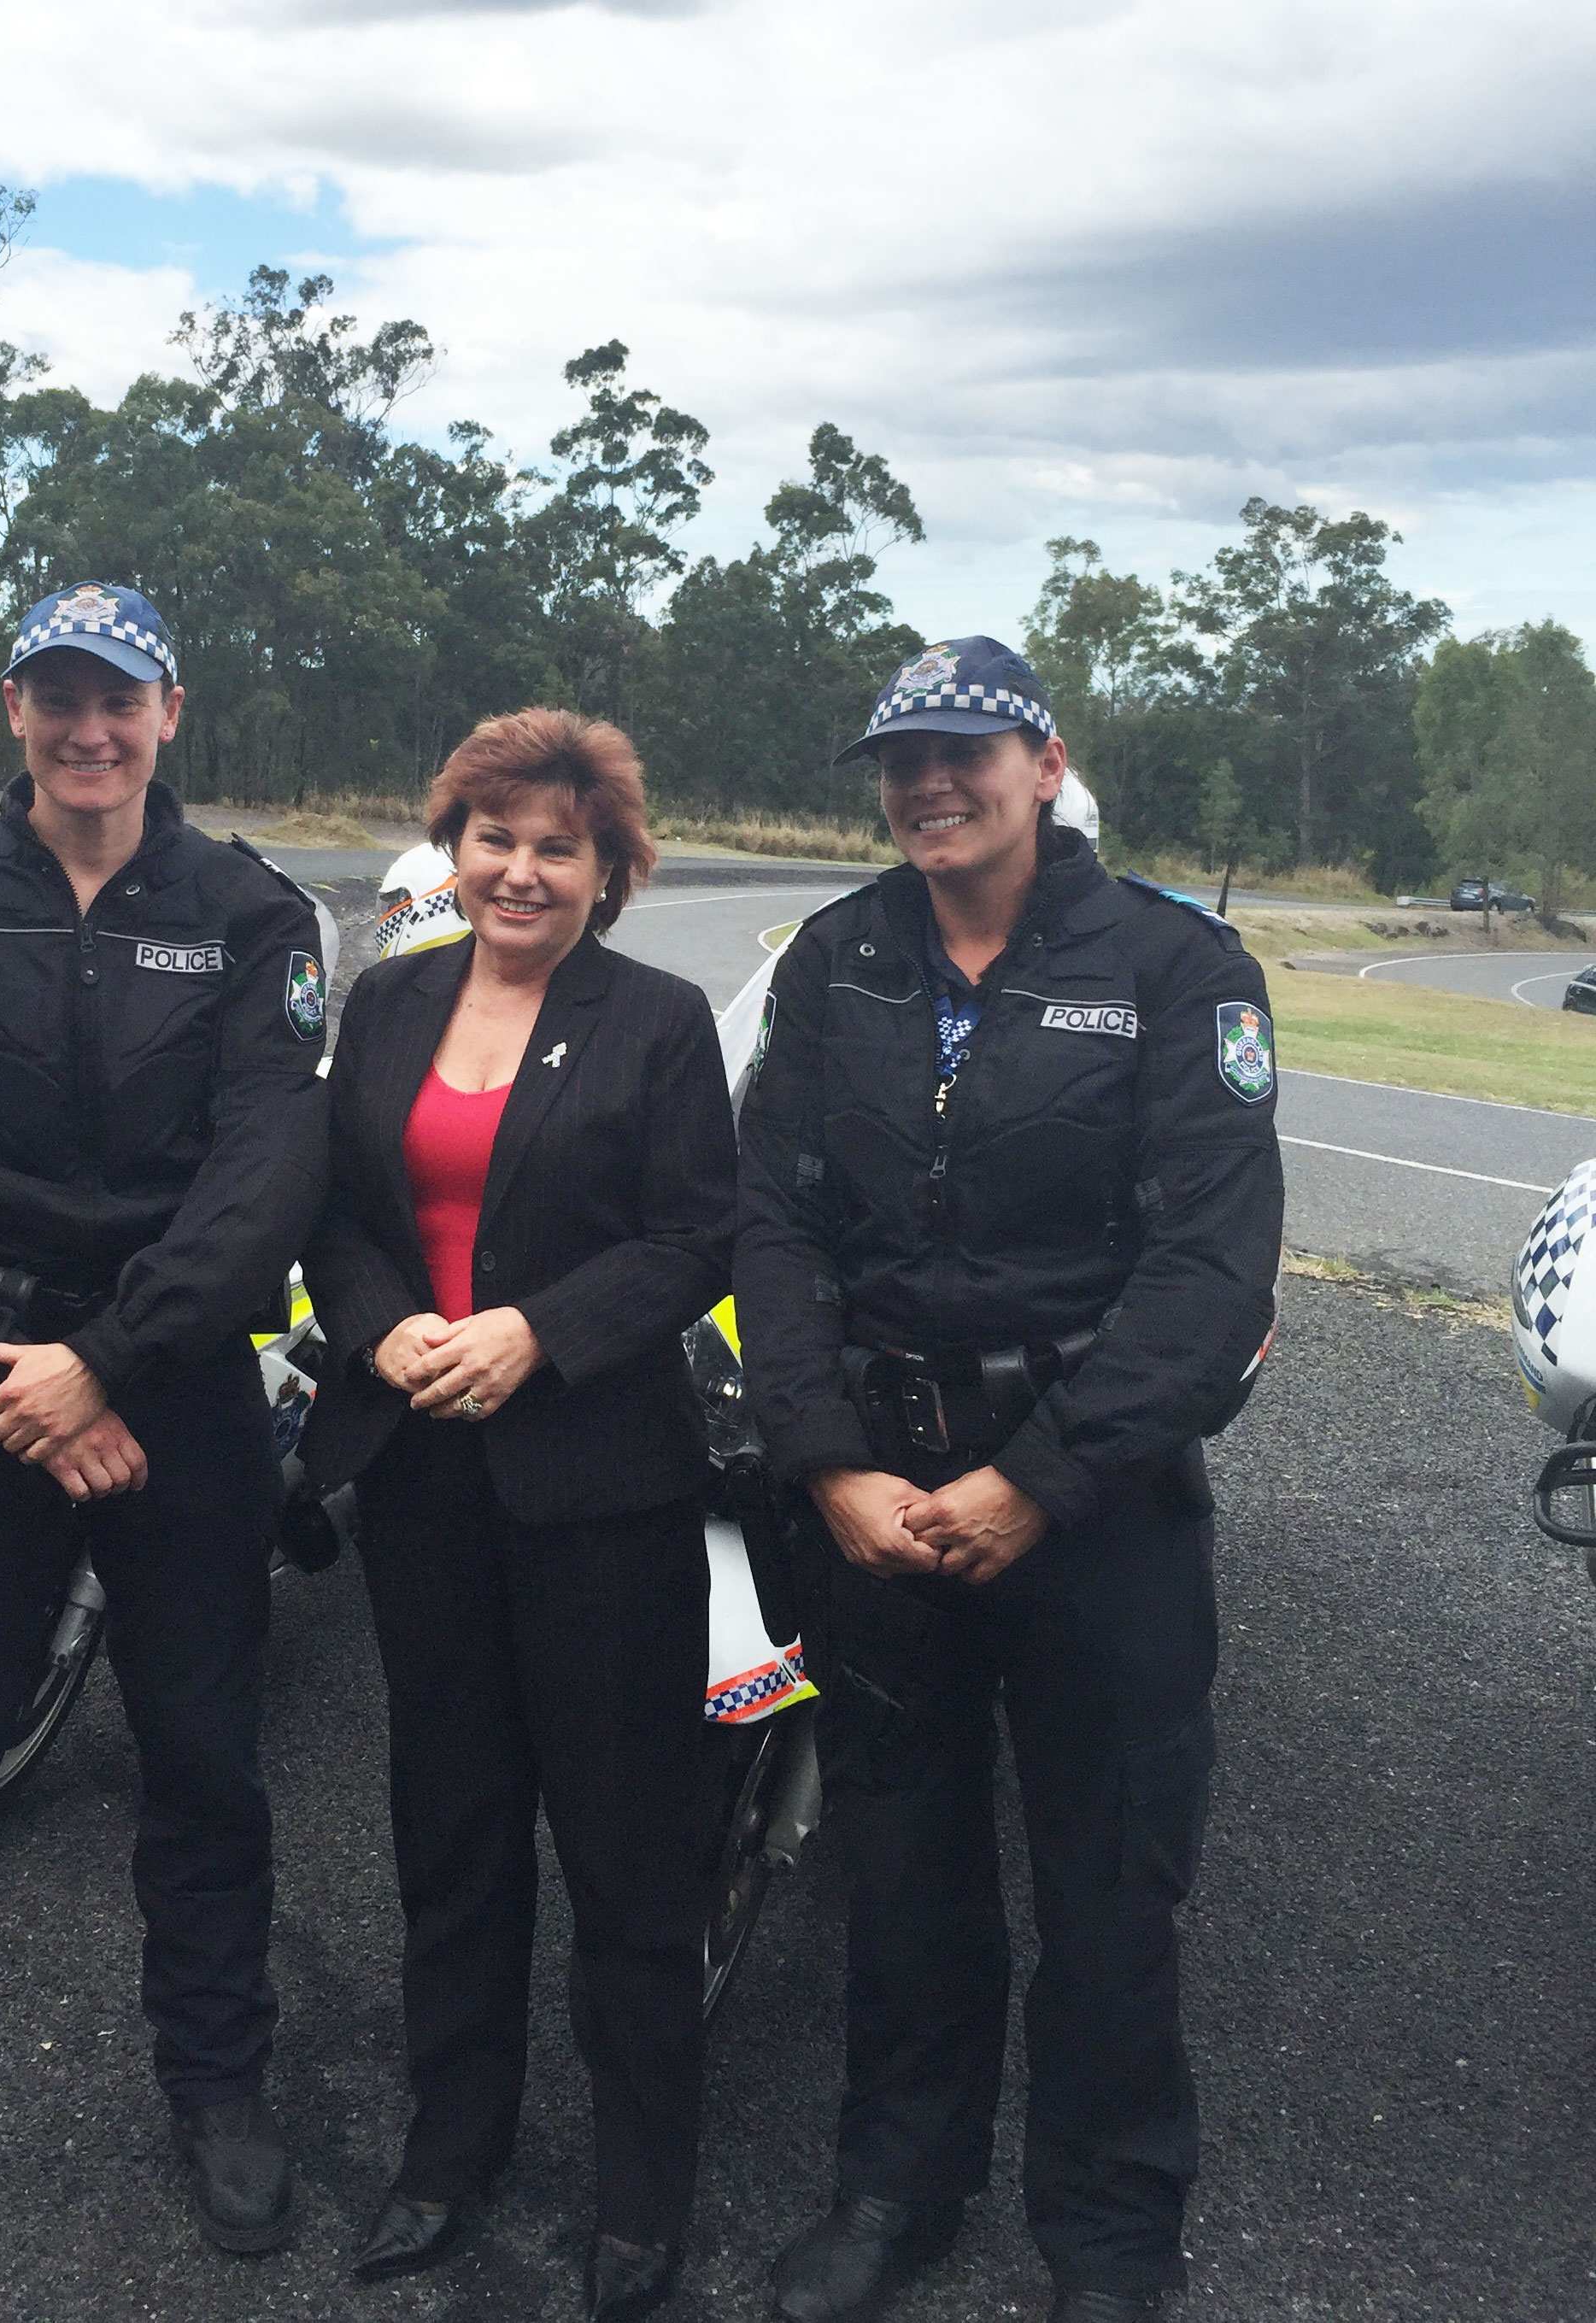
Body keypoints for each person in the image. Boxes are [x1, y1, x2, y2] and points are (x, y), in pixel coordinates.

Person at [735, 637, 1282, 2323]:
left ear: (1045, 762)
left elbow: (1211, 1275)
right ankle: (896, 2185)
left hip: (1095, 1505)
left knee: (1112, 1882)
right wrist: (824, 1458)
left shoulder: (1182, 969)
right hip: (877, 1496)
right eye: (902, 759)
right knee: (901, 1866)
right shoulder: (838, 960)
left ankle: (1111, 2237)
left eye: (965, 749)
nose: (929, 783)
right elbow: (775, 1224)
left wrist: (1037, 1478)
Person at [0, 581, 329, 2319]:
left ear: (174, 711)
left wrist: (105, 1362)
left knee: (203, 1765)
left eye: (122, 699)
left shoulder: (252, 913)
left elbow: (267, 1184)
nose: (88, 729)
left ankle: (216, 2086)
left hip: (169, 1389)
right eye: (58, 697)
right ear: (12, 707)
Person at [297, 707, 736, 2321]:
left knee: (627, 1855)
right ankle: (450, 2146)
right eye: (495, 837)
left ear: (610, 869)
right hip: (424, 1483)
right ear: (454, 846)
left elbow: (699, 1236)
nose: (523, 870)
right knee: (454, 1834)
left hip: (599, 1495)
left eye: (560, 846)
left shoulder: (660, 1022)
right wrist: (377, 1323)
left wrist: (539, 1329)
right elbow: (337, 1215)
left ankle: (642, 2189)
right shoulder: (396, 996)